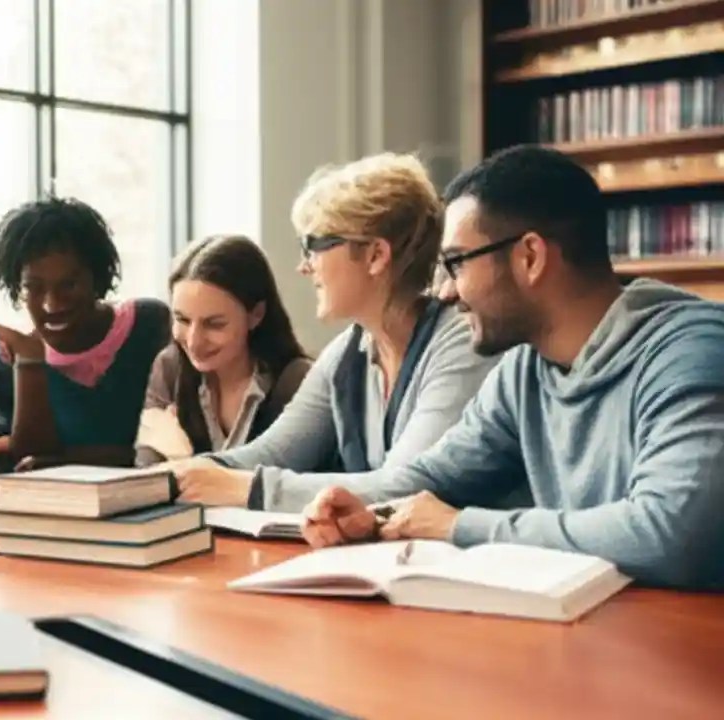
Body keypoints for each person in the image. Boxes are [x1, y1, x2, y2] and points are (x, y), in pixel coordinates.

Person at [298, 145, 724, 591]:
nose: (444, 292)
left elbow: (672, 534)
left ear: (530, 257)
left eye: (456, 263)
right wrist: (368, 514)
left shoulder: (694, 352)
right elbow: (432, 480)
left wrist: (459, 526)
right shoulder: (522, 370)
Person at [173, 153, 499, 507]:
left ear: (376, 255)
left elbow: (406, 487)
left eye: (313, 246)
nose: (304, 266)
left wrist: (250, 489)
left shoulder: (462, 342)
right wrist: (168, 479)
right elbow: (273, 452)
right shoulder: (347, 351)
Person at [0, 197, 171, 471]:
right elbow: (23, 464)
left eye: (68, 285)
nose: (52, 305)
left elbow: (173, 450)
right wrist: (30, 363)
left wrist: (67, 459)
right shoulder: (3, 359)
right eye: (34, 288)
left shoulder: (148, 328)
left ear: (97, 278)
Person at [135, 235, 312, 466]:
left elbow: (285, 480)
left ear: (256, 315)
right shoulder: (170, 368)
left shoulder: (297, 382)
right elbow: (146, 477)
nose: (194, 342)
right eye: (182, 320)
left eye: (214, 324)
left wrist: (180, 457)